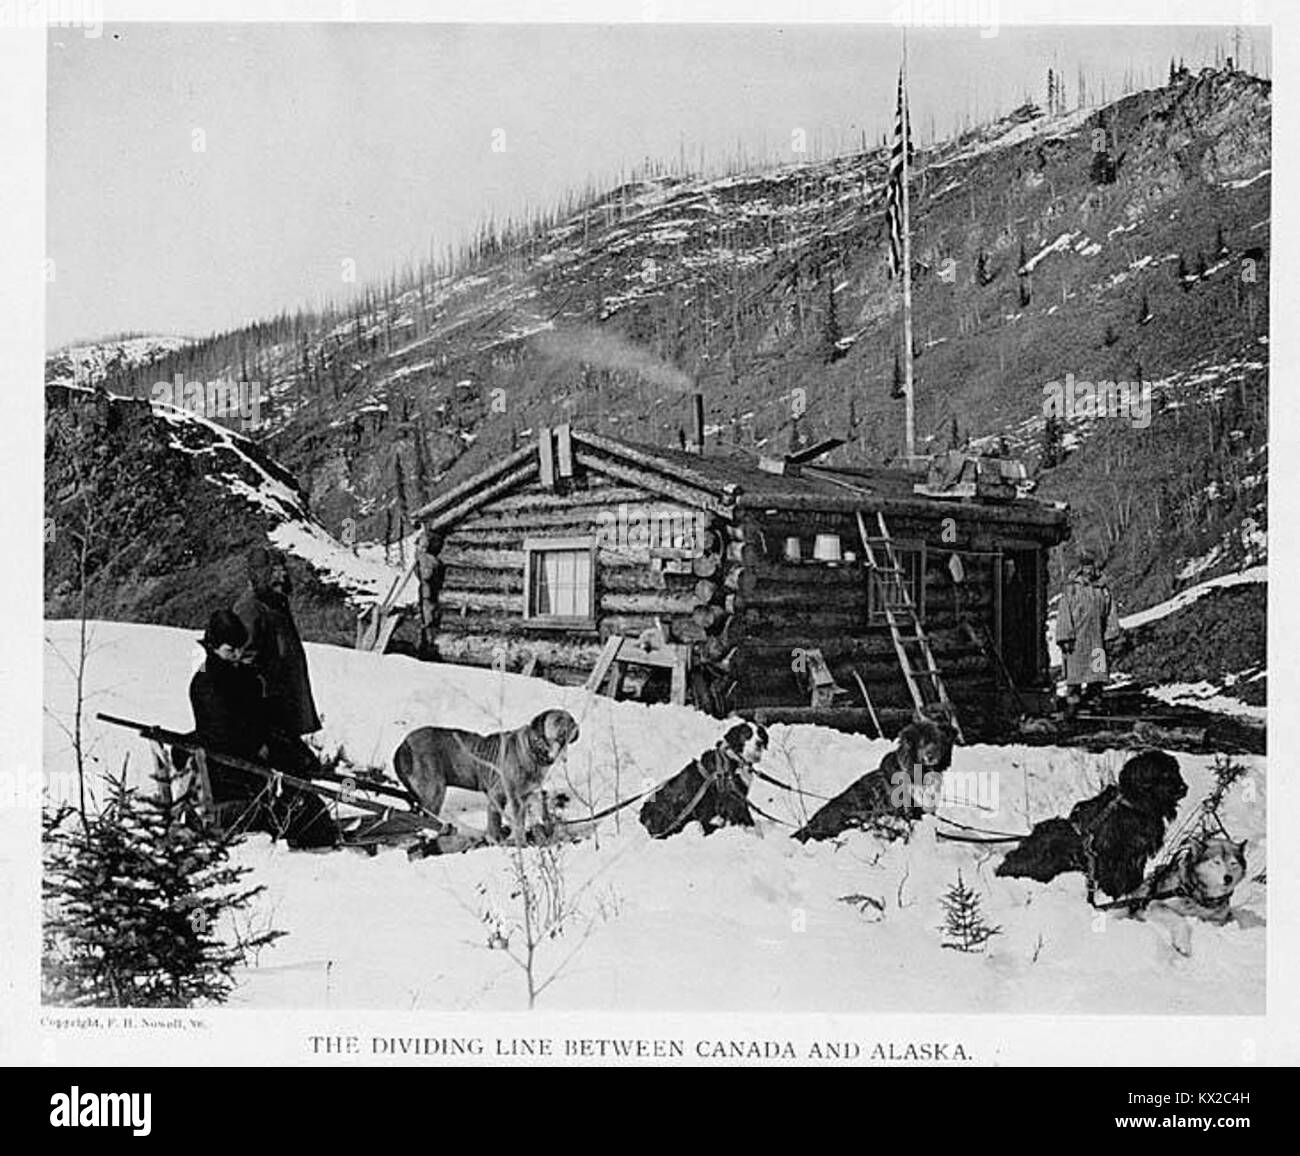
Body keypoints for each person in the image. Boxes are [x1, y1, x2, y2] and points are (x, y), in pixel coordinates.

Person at [185, 609, 337, 849]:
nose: (236, 655)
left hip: (247, 750)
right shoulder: (208, 681)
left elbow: (260, 712)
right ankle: (312, 823)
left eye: (239, 649)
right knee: (298, 774)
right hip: (232, 762)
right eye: (229, 650)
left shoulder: (234, 674)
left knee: (310, 768)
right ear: (212, 646)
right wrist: (263, 745)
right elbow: (223, 728)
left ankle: (325, 806)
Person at [233, 545, 321, 737]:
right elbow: (244, 663)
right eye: (274, 572)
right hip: (269, 708)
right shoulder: (249, 608)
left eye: (283, 571)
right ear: (258, 573)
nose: (282, 578)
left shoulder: (276, 604)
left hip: (284, 704)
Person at [1055, 554, 1122, 719]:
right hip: (1077, 639)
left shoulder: (1102, 589)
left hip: (1097, 639)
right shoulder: (1072, 589)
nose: (1089, 570)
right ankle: (1073, 703)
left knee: (1097, 673)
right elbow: (1064, 613)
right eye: (1086, 567)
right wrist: (1065, 636)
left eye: (1091, 566)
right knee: (1075, 673)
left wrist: (1111, 633)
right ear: (1080, 569)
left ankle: (1096, 701)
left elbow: (1110, 612)